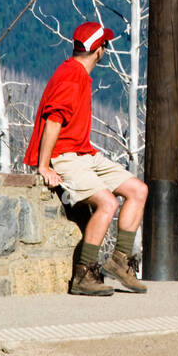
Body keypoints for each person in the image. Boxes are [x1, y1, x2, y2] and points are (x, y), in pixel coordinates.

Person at [25, 21, 148, 296]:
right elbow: (54, 120)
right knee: (107, 203)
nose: (105, 49)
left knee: (138, 190)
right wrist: (44, 165)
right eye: (104, 44)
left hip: (84, 153)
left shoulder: (78, 73)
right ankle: (84, 274)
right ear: (98, 50)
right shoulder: (72, 75)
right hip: (66, 157)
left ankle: (120, 261)